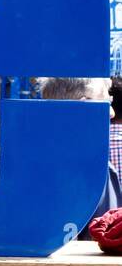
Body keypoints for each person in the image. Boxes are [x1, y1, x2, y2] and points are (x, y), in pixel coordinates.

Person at [39, 77, 121, 236]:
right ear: (83, 108)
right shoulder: (97, 169)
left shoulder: (23, 161)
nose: (112, 113)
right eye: (106, 101)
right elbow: (107, 237)